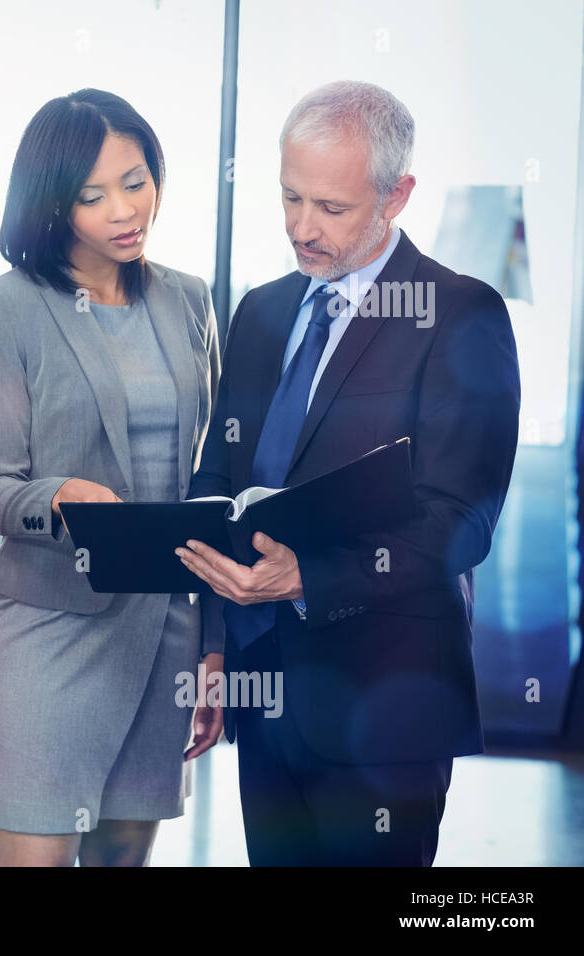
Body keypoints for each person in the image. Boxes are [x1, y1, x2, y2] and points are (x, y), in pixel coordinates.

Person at [178, 80, 521, 866]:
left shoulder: (460, 314)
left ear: (397, 195)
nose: (303, 228)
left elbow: (460, 521)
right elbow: (221, 478)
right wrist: (215, 643)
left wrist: (309, 577)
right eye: (290, 197)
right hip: (265, 693)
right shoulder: (261, 312)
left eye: (331, 208)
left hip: (386, 705)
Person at [0, 89, 225, 867]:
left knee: (123, 860)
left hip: (163, 630)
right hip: (52, 628)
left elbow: (209, 483)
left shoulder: (189, 300)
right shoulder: (6, 308)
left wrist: (213, 646)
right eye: (93, 195)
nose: (124, 209)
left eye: (136, 182)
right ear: (52, 202)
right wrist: (60, 497)